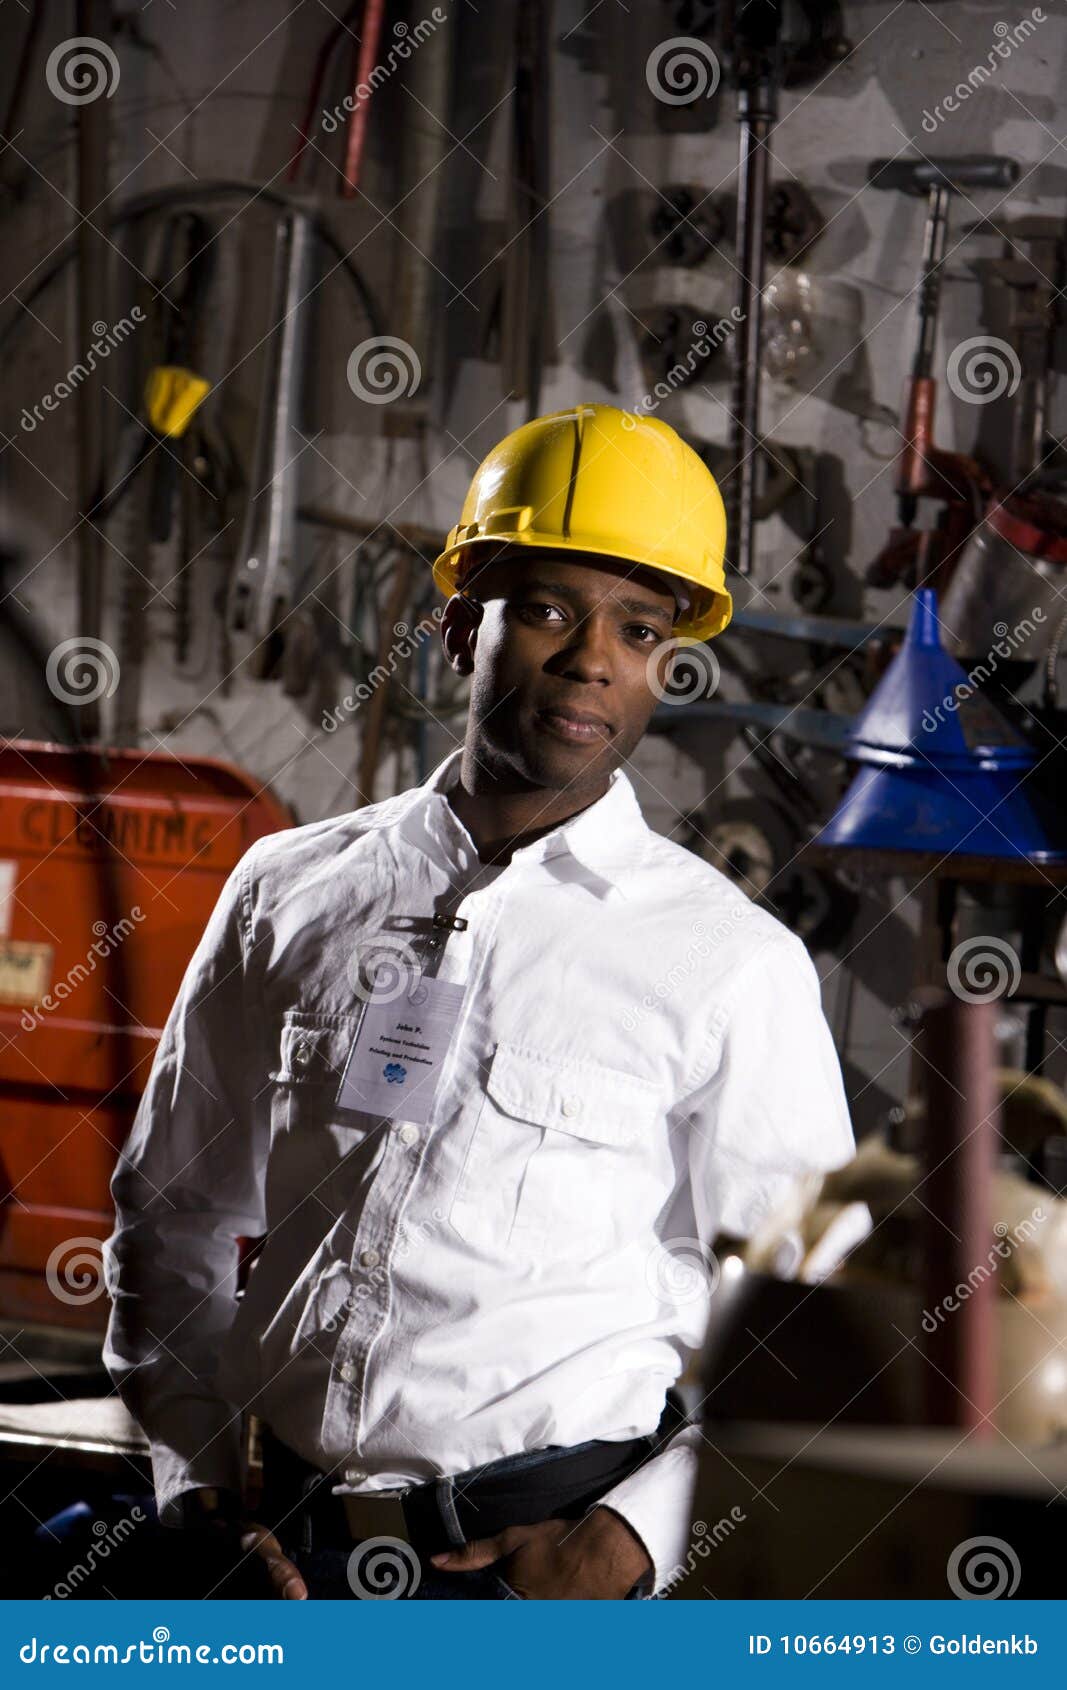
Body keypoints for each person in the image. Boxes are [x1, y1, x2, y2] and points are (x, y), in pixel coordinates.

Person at [101, 403, 855, 1600]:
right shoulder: (287, 890)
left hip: (535, 1566)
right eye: (548, 609)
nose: (591, 659)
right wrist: (192, 1479)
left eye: (639, 630)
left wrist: (622, 1545)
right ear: (460, 625)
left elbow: (818, 1336)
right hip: (275, 1555)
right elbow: (173, 1214)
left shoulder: (731, 963)